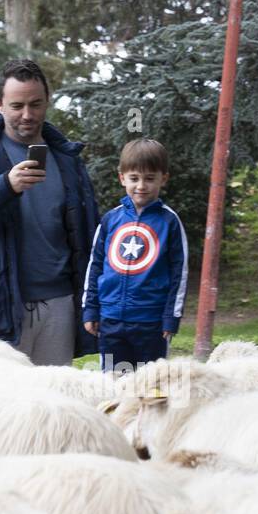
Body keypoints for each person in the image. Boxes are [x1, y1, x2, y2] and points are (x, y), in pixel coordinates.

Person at [0, 58, 100, 365]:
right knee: (2, 404)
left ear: (47, 102)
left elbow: (88, 230)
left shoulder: (66, 156)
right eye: (17, 106)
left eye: (35, 104)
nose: (27, 115)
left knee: (52, 404)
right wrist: (6, 185)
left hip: (60, 304)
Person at [82, 138, 189, 373]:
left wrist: (171, 317)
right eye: (134, 178)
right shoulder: (111, 219)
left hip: (151, 323)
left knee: (151, 386)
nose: (141, 185)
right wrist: (91, 309)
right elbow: (96, 265)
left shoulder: (169, 221)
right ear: (122, 178)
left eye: (150, 178)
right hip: (110, 320)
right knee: (114, 384)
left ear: (164, 178)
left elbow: (178, 273)